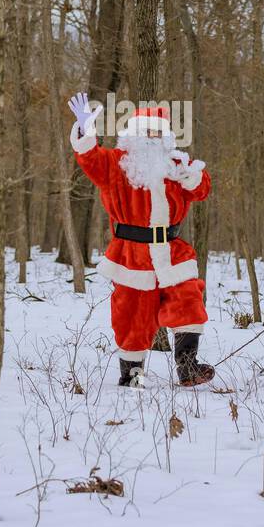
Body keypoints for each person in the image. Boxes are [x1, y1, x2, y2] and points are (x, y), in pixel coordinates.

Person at [67, 92, 215, 388]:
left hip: (172, 251)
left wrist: (192, 176)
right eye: (147, 131)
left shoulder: (174, 165)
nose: (152, 137)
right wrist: (85, 131)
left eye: (158, 133)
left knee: (188, 300)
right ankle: (131, 373)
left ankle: (187, 366)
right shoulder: (116, 164)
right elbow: (89, 158)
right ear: (133, 135)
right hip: (131, 253)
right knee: (132, 314)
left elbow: (201, 190)